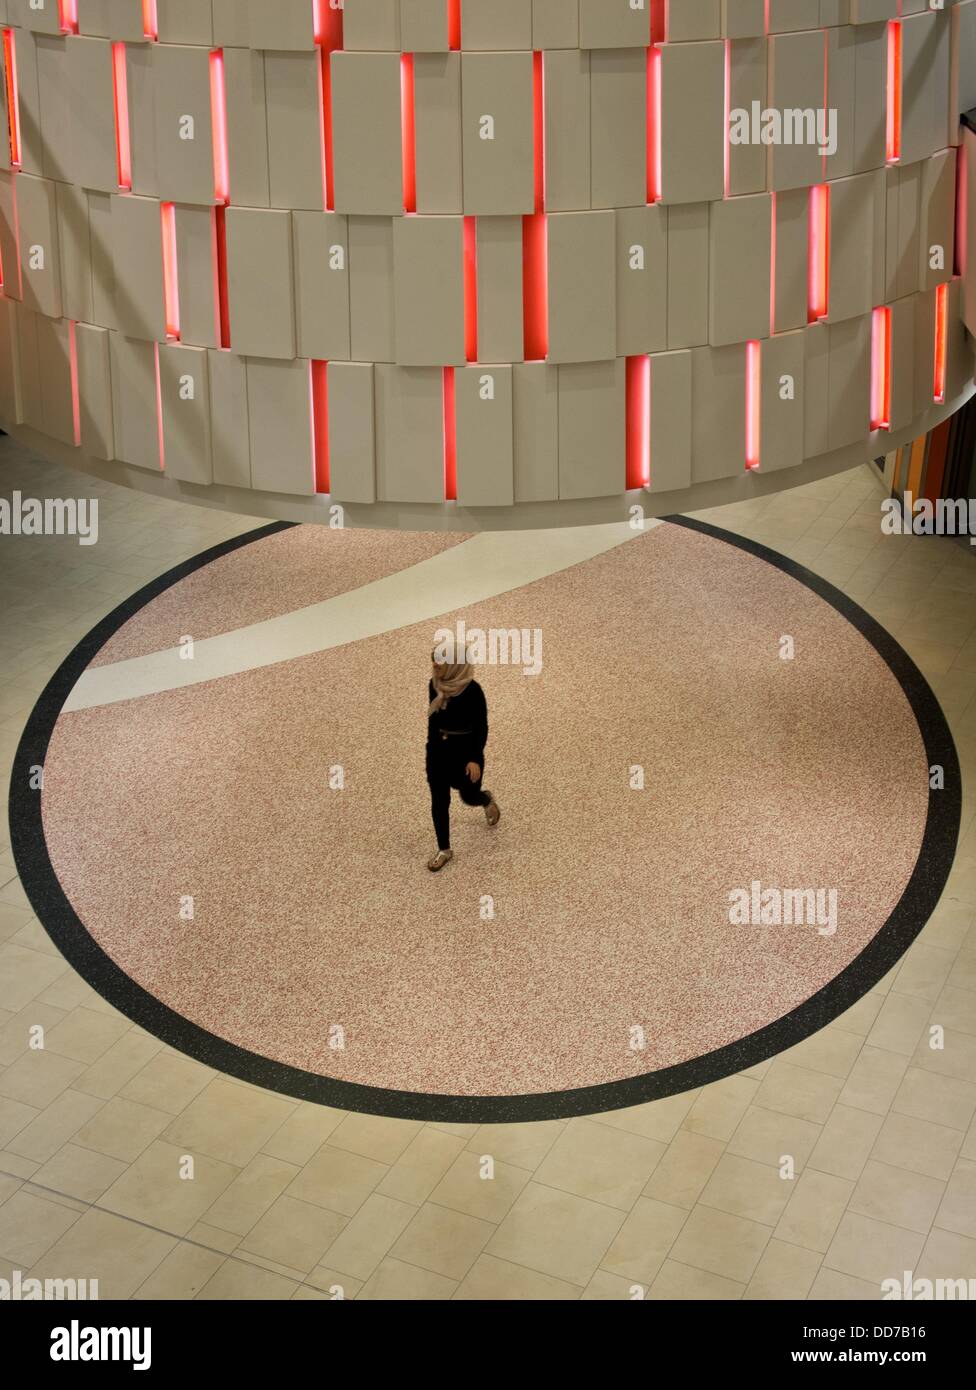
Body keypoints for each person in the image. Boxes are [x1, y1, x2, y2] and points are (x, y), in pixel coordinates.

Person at [425, 646, 500, 872]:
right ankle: (444, 849)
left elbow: (481, 728)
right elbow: (433, 721)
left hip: (466, 754)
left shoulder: (473, 691)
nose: (435, 668)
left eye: (440, 664)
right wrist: (430, 749)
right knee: (439, 800)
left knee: (468, 796)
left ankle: (485, 800)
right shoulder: (434, 685)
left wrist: (474, 758)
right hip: (438, 751)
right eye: (434, 664)